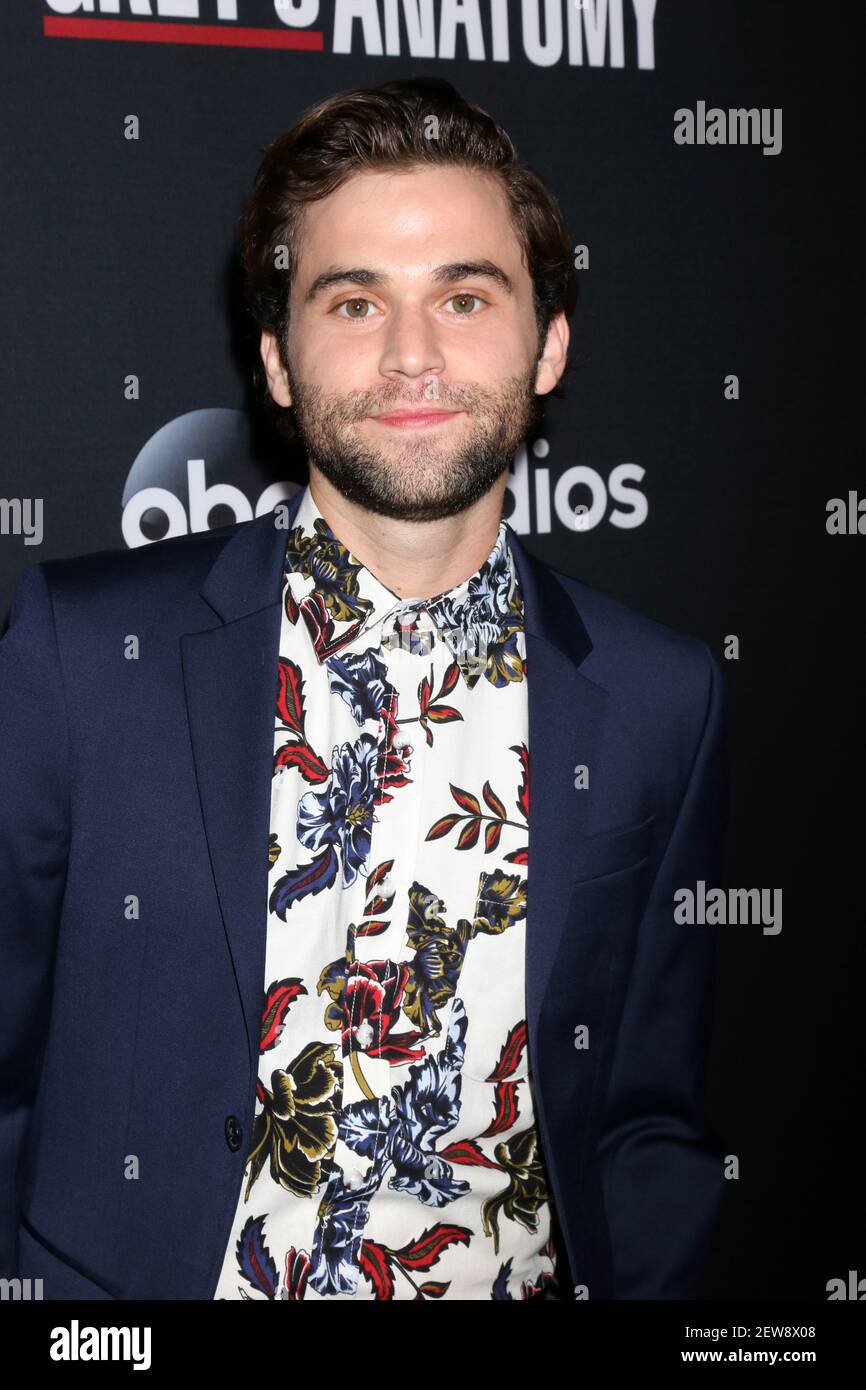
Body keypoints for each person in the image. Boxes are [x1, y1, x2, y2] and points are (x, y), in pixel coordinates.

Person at [0, 77, 729, 1301]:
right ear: (278, 361)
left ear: (547, 341)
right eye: (353, 301)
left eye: (463, 295)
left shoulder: (660, 698)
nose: (412, 356)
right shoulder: (79, 656)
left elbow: (644, 1121)